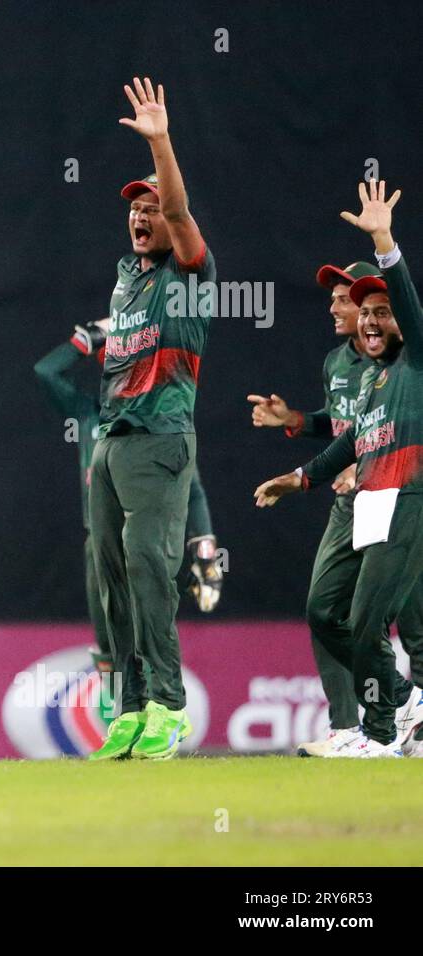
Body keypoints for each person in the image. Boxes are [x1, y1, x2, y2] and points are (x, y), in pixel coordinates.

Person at [254, 180, 423, 757]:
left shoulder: (417, 360)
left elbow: (404, 300)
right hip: (370, 500)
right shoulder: (374, 376)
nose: (368, 320)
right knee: (334, 612)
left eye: (382, 312)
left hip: (408, 499)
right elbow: (349, 437)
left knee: (376, 617)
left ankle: (381, 728)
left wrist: (384, 243)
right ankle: (400, 708)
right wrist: (301, 476)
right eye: (365, 311)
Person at [87, 78, 215, 761]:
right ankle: (130, 707)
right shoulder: (127, 278)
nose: (142, 216)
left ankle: (169, 704)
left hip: (161, 442)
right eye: (133, 209)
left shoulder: (189, 272)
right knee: (110, 578)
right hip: (112, 442)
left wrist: (160, 142)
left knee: (148, 568)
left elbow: (178, 206)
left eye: (151, 209)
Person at [34, 321, 222, 722]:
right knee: (108, 637)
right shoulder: (88, 414)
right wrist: (87, 338)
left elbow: (193, 488)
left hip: (147, 536)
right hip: (99, 542)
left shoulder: (161, 417)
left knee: (150, 627)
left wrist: (206, 555)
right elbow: (45, 372)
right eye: (111, 367)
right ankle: (126, 716)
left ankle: (164, 712)